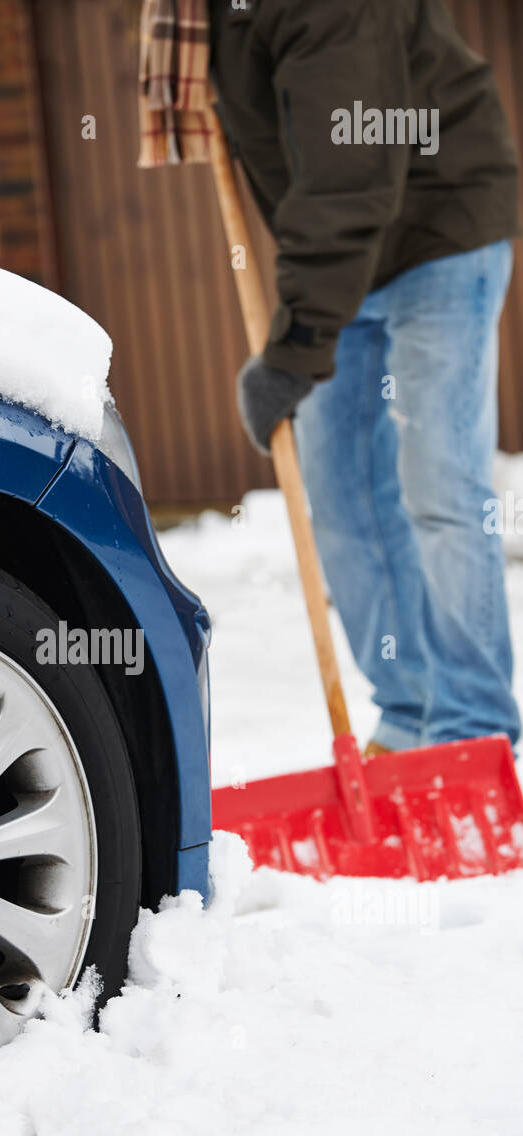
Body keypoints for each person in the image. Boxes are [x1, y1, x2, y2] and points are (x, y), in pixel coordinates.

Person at [143, 0, 521, 754]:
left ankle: (475, 730)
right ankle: (412, 711)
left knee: (439, 484)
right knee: (343, 492)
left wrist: (293, 351)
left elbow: (349, 176)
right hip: (347, 260)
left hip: (438, 230)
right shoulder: (192, 15)